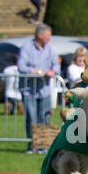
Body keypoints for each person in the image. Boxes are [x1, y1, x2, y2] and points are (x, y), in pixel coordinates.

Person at [17, 23, 58, 153]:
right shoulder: (26, 48)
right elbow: (21, 66)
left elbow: (56, 65)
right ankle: (32, 146)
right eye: (48, 35)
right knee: (32, 118)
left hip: (44, 90)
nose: (50, 37)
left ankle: (43, 146)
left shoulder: (50, 49)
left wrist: (53, 71)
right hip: (29, 90)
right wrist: (37, 72)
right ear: (40, 35)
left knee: (44, 118)